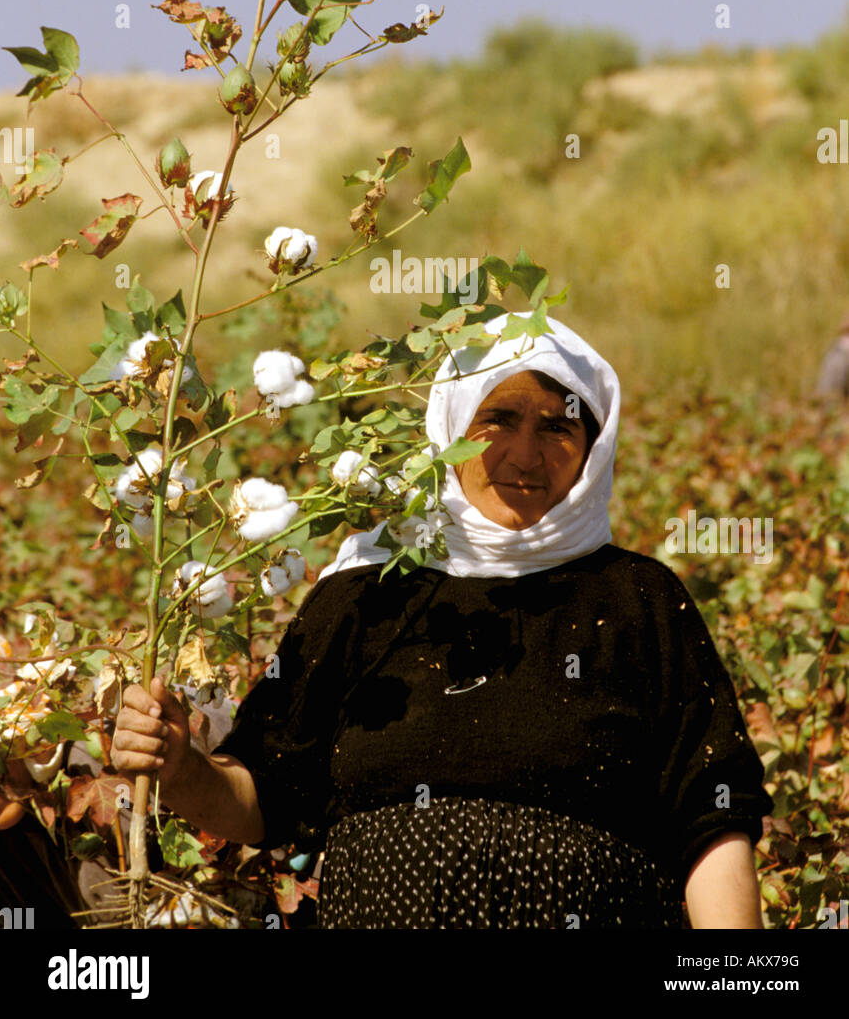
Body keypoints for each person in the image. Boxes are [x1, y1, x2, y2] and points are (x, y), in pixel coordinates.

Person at [112, 313, 772, 929]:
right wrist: (179, 767)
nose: (524, 454)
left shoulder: (638, 600)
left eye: (556, 426)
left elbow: (711, 819)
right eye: (498, 420)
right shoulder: (367, 594)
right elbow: (262, 797)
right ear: (450, 427)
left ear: (592, 448)